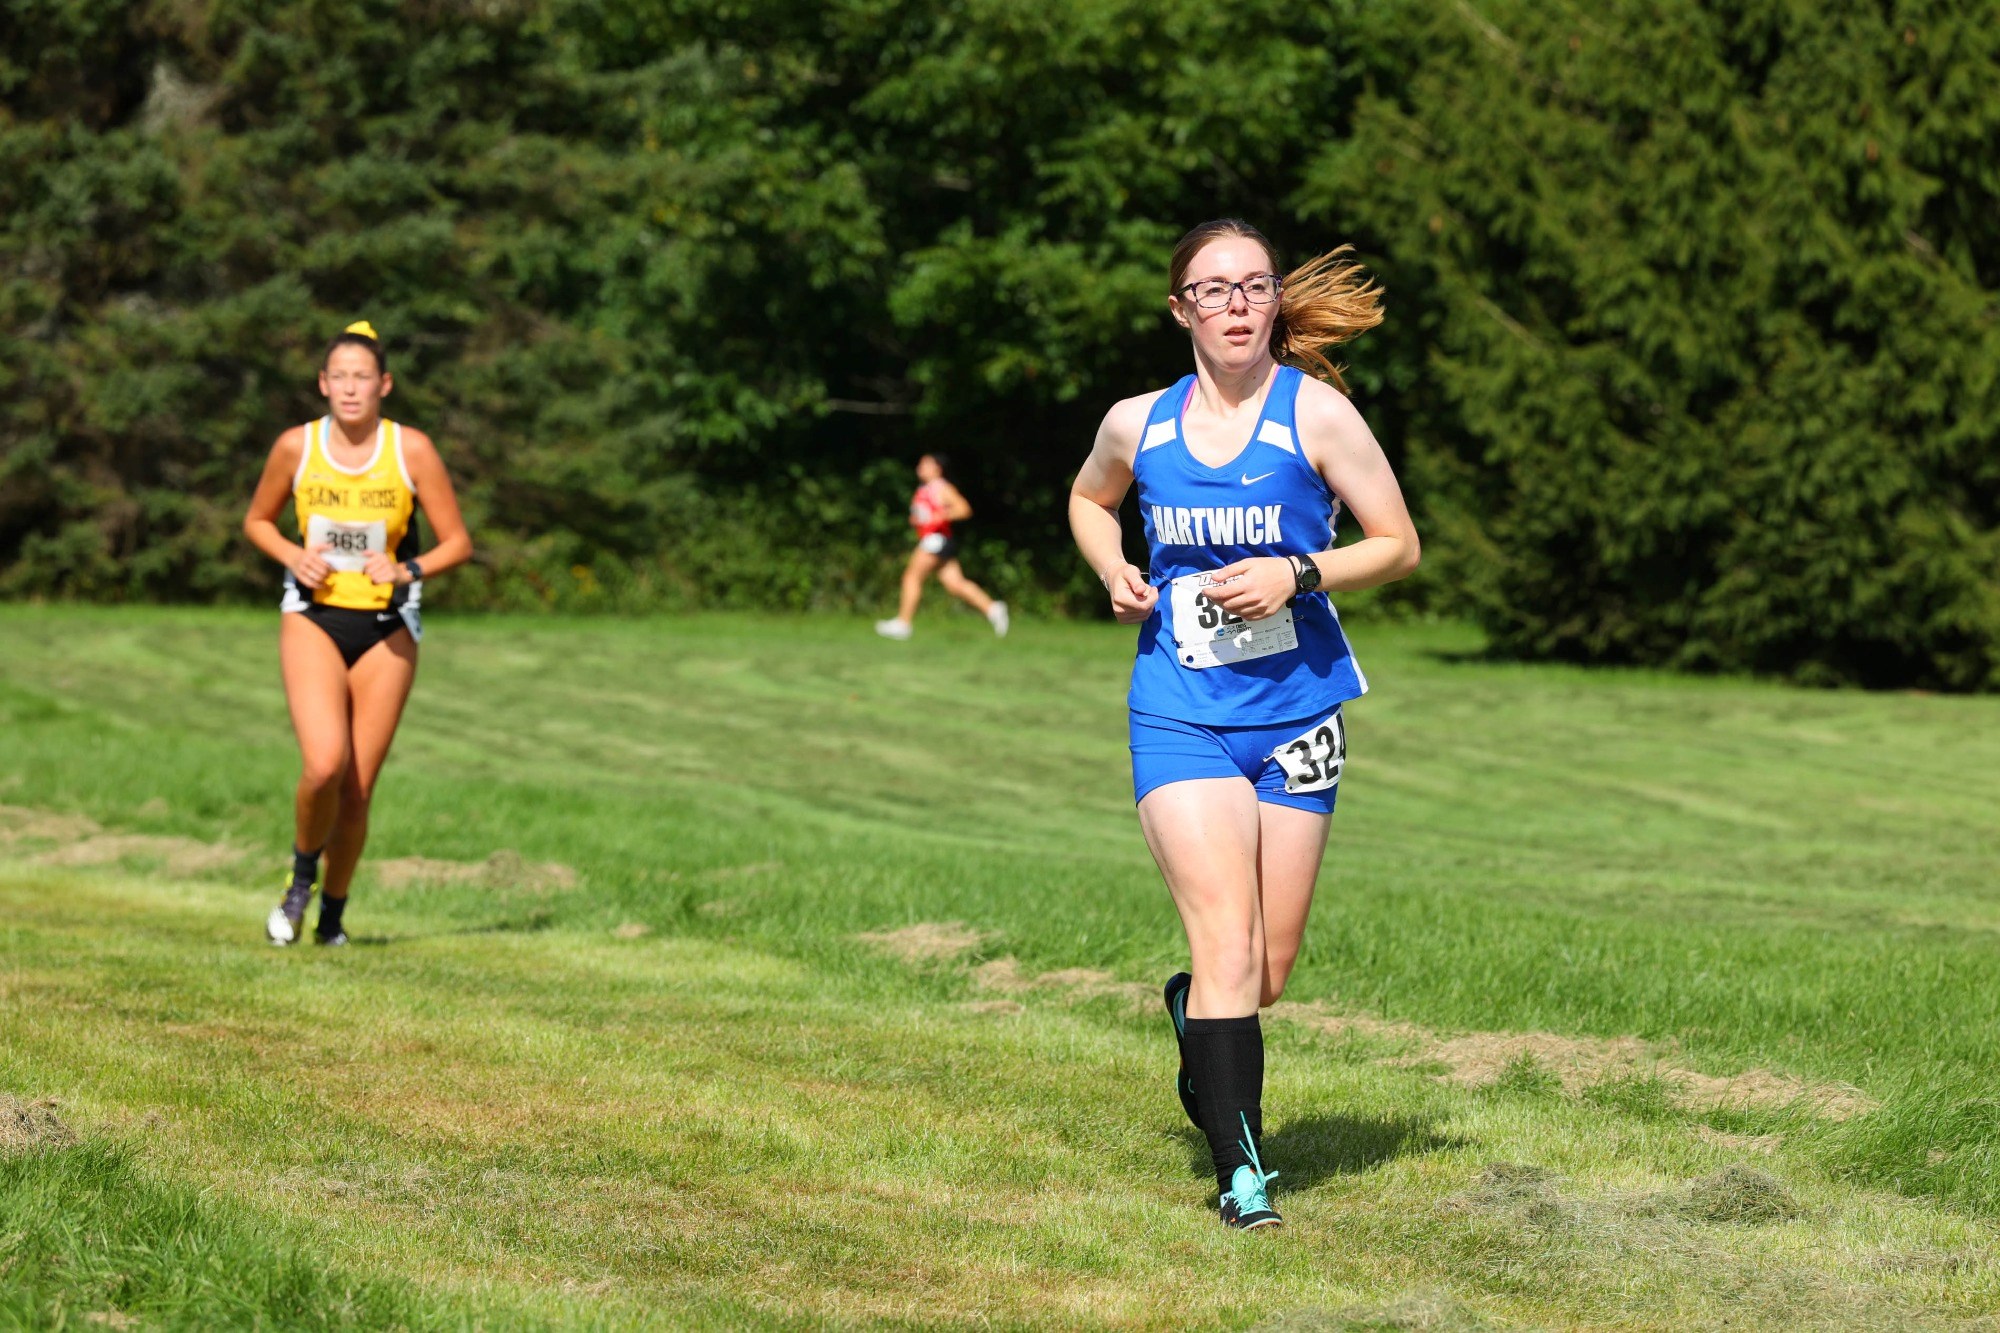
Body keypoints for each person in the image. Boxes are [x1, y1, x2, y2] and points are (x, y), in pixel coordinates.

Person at [1068, 220, 1419, 1229]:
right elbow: (1089, 500)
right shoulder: (1137, 424)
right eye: (1212, 288)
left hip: (1299, 716)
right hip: (1179, 713)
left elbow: (1397, 544)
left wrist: (1296, 572)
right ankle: (1243, 1176)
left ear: (1273, 302)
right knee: (1225, 940)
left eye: (1253, 286)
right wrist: (1114, 569)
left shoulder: (1319, 417)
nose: (1235, 304)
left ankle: (1199, 1022)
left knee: (1261, 971)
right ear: (1180, 308)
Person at [242, 321, 473, 946]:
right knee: (324, 765)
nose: (350, 388)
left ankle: (333, 920)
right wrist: (293, 556)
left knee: (357, 790)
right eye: (339, 376)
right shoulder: (296, 446)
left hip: (387, 628)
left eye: (362, 377)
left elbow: (458, 542)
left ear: (384, 385)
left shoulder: (411, 450)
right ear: (323, 383)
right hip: (313, 618)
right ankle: (299, 885)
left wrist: (407, 570)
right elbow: (257, 521)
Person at [875, 453, 1009, 639]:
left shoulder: (942, 488)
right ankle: (993, 608)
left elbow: (963, 509)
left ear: (938, 469)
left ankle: (903, 623)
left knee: (911, 577)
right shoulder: (925, 489)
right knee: (955, 584)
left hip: (936, 540)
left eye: (925, 464)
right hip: (937, 540)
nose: (920, 467)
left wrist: (939, 516)